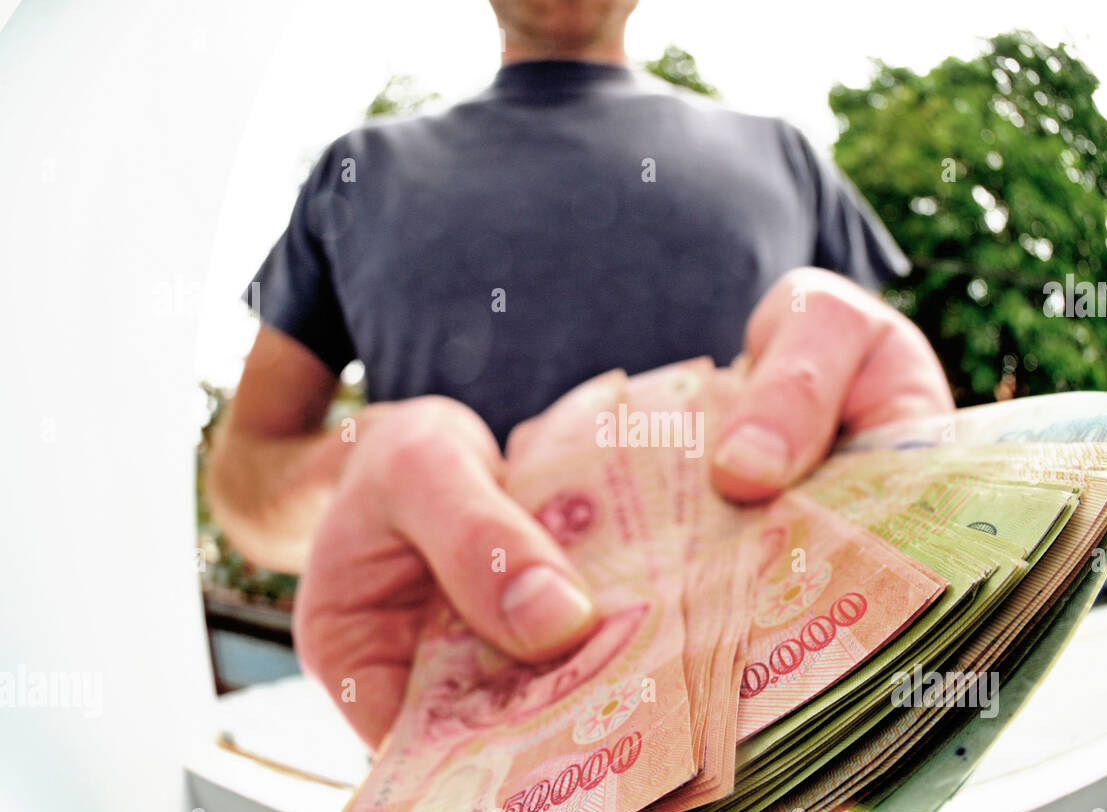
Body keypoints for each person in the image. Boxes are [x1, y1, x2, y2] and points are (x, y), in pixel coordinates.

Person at [207, 0, 953, 749]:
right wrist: (352, 465)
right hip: (468, 789)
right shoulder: (357, 171)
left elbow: (874, 401)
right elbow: (244, 479)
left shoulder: (788, 157)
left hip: (773, 775)